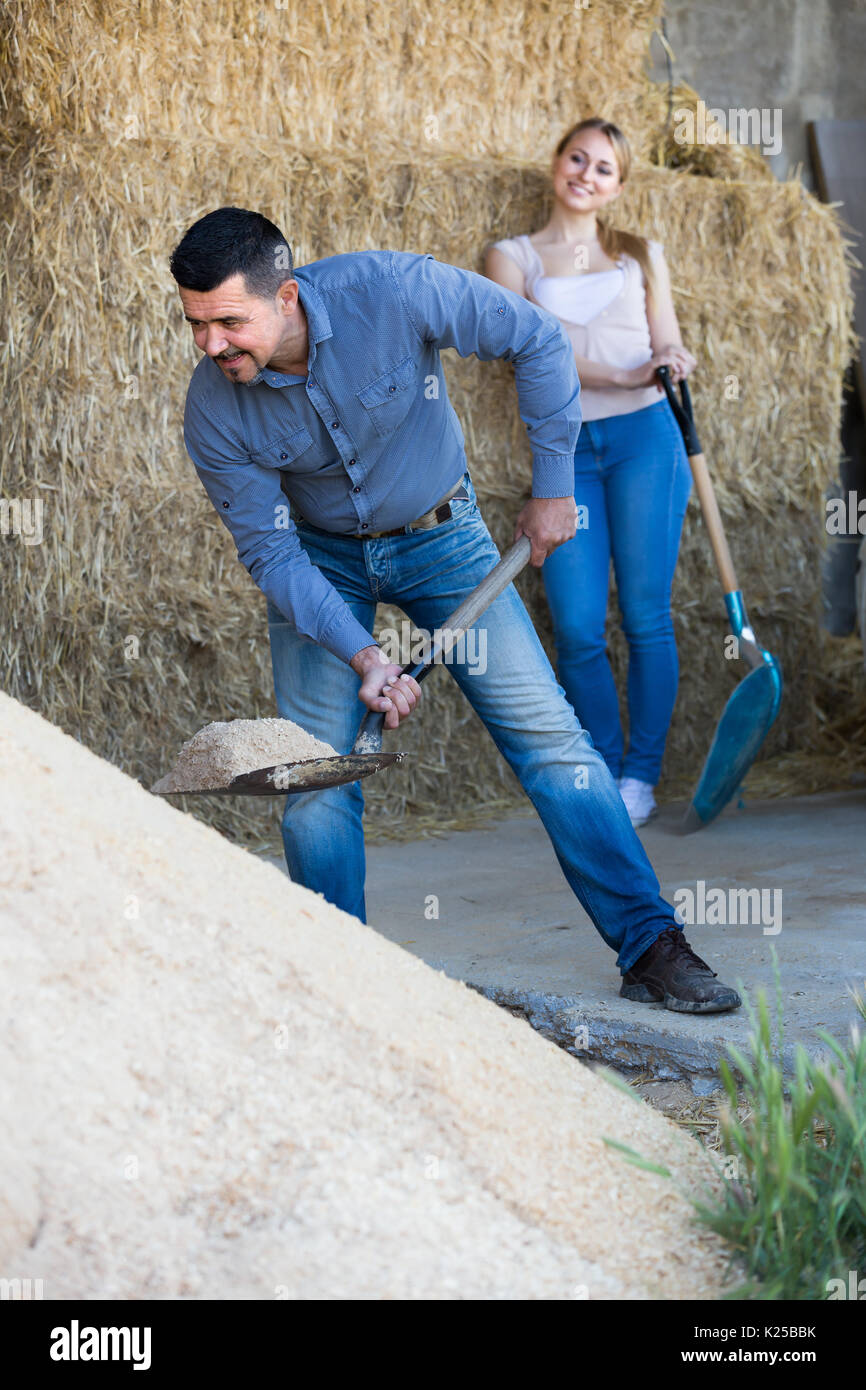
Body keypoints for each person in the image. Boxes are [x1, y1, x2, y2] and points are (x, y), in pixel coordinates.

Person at [169, 205, 739, 1013]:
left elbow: (537, 340)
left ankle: (651, 946)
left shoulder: (393, 290)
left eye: (228, 322)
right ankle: (343, 979)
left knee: (549, 736)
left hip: (444, 536)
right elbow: (270, 552)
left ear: (287, 296)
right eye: (196, 325)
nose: (211, 345)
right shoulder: (214, 407)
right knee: (315, 777)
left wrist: (553, 485)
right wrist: (364, 654)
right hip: (322, 559)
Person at [485, 117, 695, 829]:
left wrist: (669, 359)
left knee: (644, 615)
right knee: (576, 625)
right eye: (578, 158)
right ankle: (604, 766)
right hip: (566, 451)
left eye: (604, 167)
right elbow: (528, 352)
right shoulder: (511, 258)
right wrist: (621, 370)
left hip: (645, 440)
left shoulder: (640, 254)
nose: (586, 173)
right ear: (555, 164)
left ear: (619, 185)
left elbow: (664, 336)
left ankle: (642, 776)